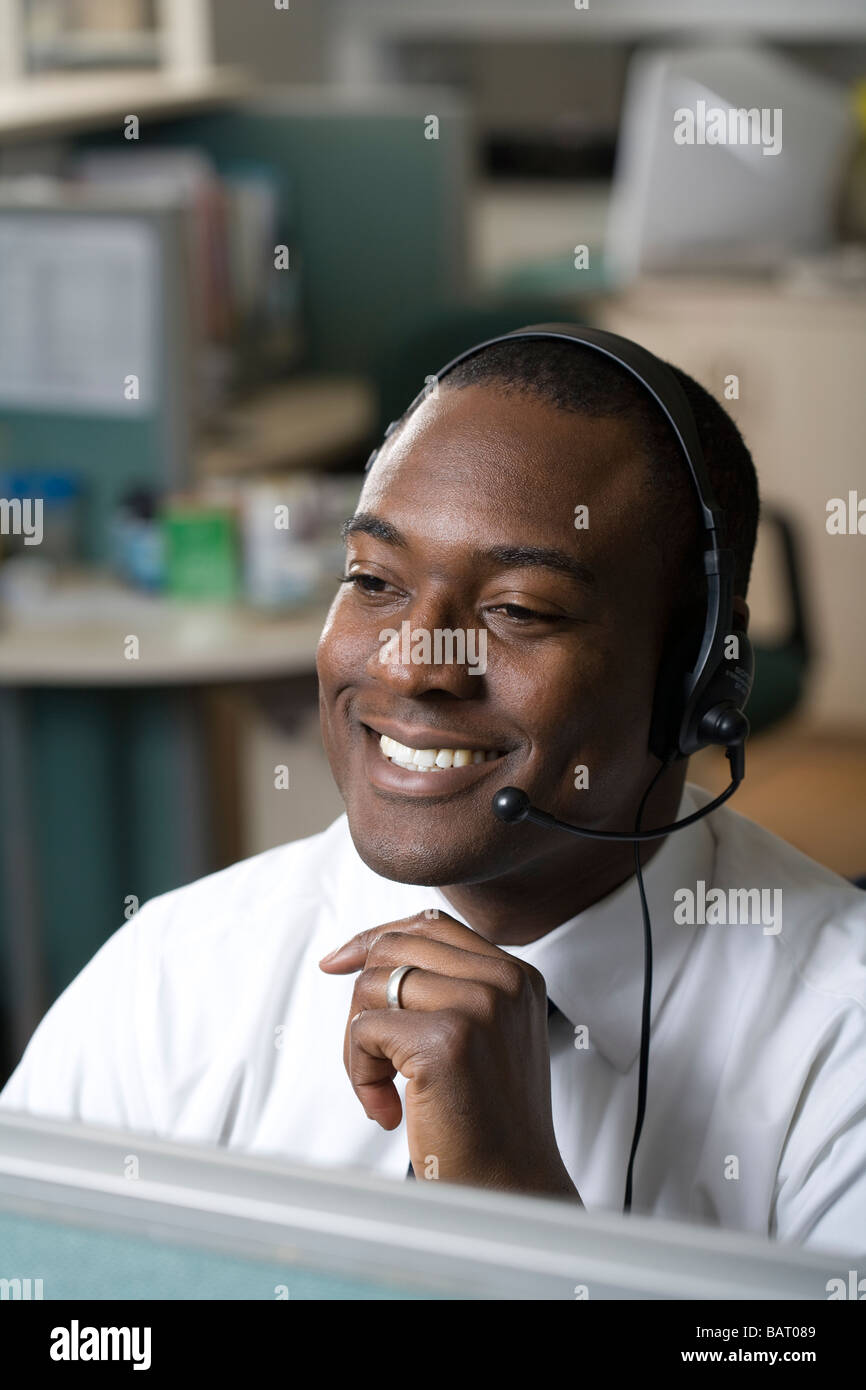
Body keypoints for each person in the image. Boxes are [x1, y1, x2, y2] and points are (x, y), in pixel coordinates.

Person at [2, 333, 864, 1257]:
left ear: (699, 670)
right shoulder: (171, 982)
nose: (414, 664)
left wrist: (513, 1219)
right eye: (374, 581)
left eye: (518, 610)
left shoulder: (837, 1040)